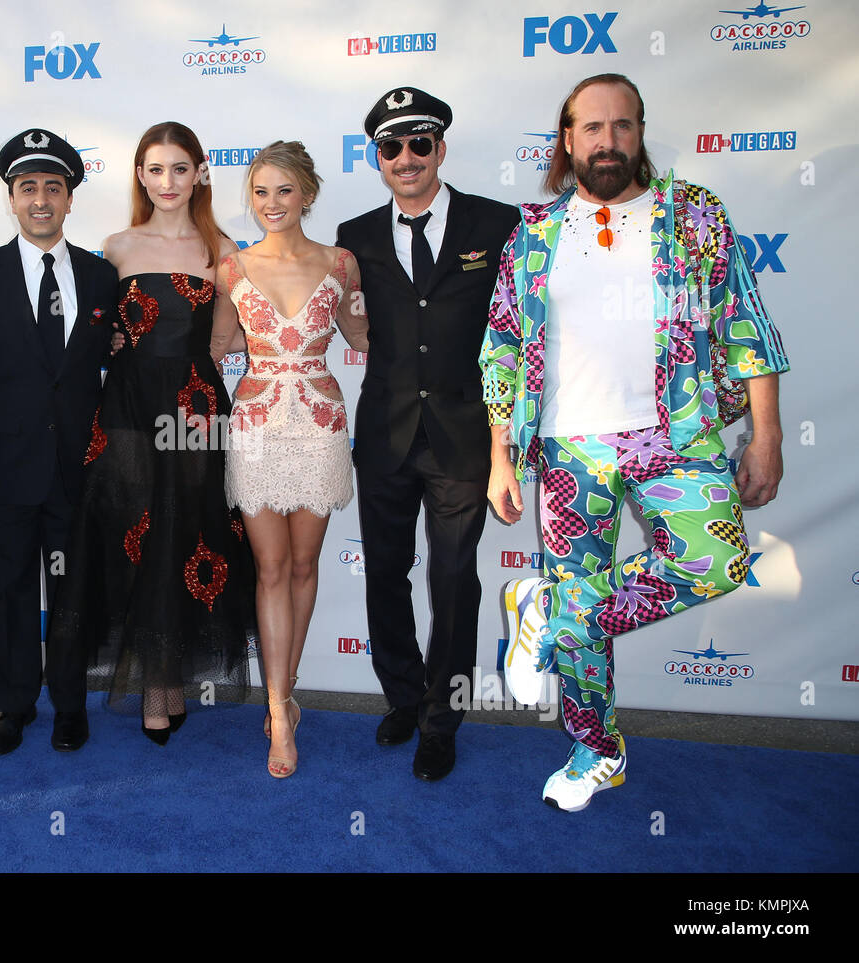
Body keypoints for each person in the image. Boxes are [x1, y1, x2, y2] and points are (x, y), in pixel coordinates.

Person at [482, 73, 788, 811]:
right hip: (564, 449)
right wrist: (499, 453)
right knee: (591, 629)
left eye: (622, 126)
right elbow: (501, 344)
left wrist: (766, 432)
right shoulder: (535, 232)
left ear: (640, 132)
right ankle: (597, 750)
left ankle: (548, 612)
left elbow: (744, 321)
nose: (608, 141)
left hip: (674, 434)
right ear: (567, 139)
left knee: (715, 561)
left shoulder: (694, 216)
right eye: (592, 127)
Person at [46, 121, 253, 745]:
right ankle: (152, 685)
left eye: (180, 169)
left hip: (194, 410)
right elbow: (95, 330)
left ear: (200, 174)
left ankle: (165, 686)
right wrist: (113, 338)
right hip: (128, 411)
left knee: (184, 538)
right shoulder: (115, 248)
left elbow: (241, 334)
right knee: (133, 536)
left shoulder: (224, 249)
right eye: (155, 169)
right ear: (140, 175)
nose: (168, 181)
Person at [336, 88, 519, 782]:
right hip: (383, 433)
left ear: (440, 148)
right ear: (378, 158)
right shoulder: (352, 238)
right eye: (392, 147)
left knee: (452, 578)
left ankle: (442, 718)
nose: (406, 158)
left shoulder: (498, 224)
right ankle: (405, 697)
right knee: (384, 572)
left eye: (419, 143)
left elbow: (518, 334)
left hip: (464, 436)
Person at [0, 129, 119, 757]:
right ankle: (14, 706)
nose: (40, 200)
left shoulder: (102, 277)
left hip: (79, 469)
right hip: (3, 468)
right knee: (9, 588)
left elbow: (115, 365)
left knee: (72, 592)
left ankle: (70, 704)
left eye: (52, 188)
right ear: (11, 199)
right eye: (27, 189)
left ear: (70, 199)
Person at [210, 141, 369, 778]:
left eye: (283, 190)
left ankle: (286, 690)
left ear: (307, 193)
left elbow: (362, 335)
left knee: (304, 565)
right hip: (254, 423)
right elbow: (219, 342)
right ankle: (278, 709)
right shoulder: (232, 268)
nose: (271, 203)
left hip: (322, 422)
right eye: (260, 191)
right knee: (270, 569)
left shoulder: (343, 264)